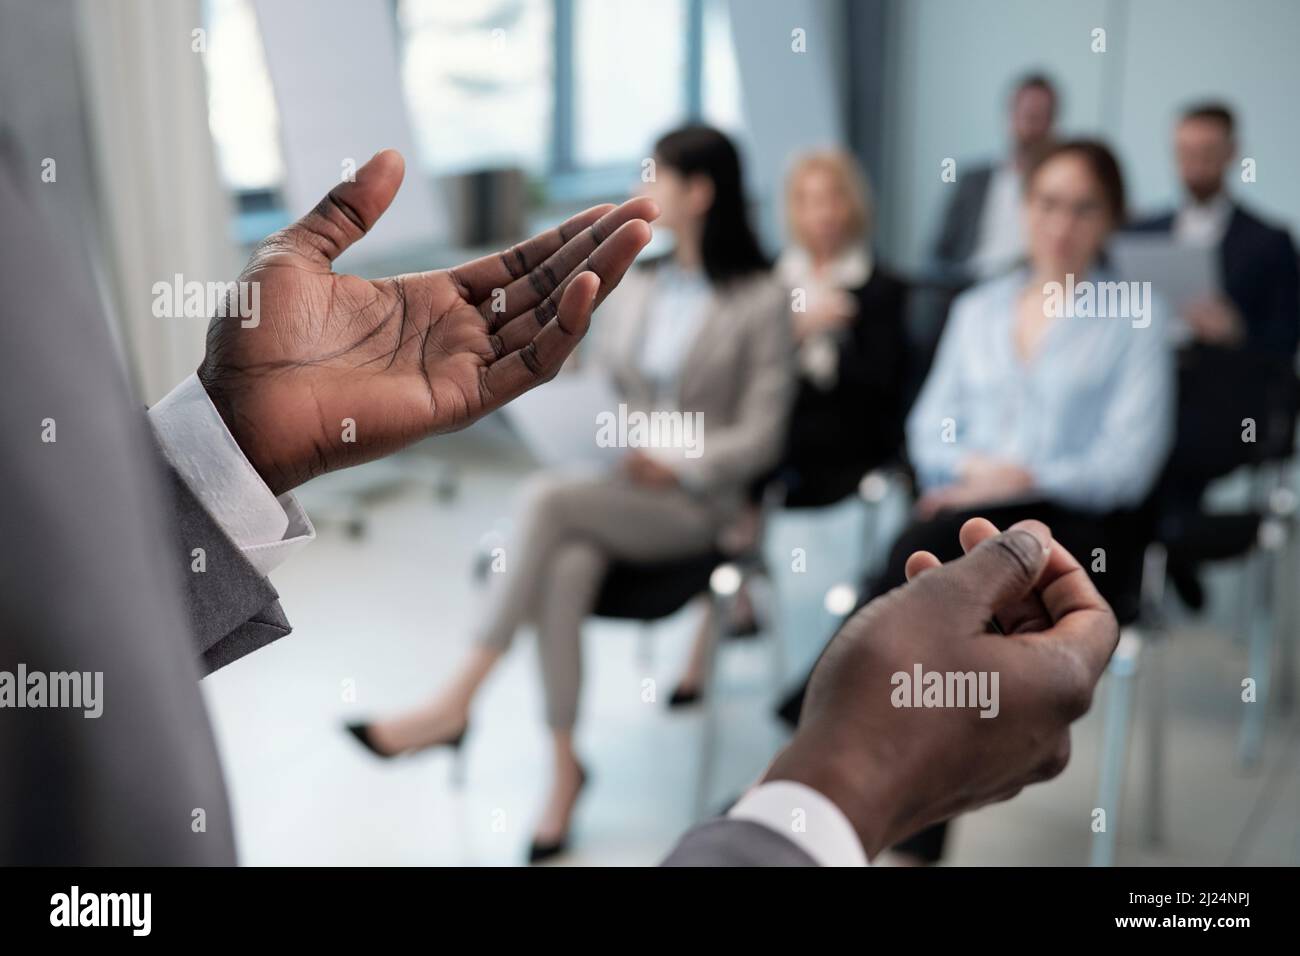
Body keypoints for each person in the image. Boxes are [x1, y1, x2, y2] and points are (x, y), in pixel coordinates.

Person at [347, 125, 795, 862]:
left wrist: (676, 459)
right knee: (564, 566)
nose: (638, 193)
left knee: (549, 504)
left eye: (656, 178)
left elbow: (762, 436)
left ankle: (455, 702)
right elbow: (604, 384)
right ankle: (564, 770)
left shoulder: (761, 297)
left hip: (698, 504)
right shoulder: (646, 284)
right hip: (617, 489)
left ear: (701, 191)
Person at [779, 139, 1175, 864]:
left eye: (1083, 208)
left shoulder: (1137, 317)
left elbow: (1126, 464)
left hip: (1077, 537)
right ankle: (880, 813)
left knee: (937, 573)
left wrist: (1013, 475)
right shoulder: (981, 307)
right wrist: (973, 473)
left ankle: (821, 722)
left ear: (1111, 219)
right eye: (1048, 203)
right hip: (968, 516)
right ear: (1026, 209)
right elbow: (929, 426)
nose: (1061, 223)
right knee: (945, 597)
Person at [668, 148, 908, 705]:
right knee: (735, 441)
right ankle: (724, 597)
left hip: (843, 437)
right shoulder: (773, 281)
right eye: (807, 199)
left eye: (832, 198)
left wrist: (836, 333)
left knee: (744, 451)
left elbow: (884, 390)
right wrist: (793, 332)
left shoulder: (882, 288)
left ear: (852, 205)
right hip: (777, 429)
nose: (821, 213)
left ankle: (725, 605)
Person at [1127, 102, 1300, 355]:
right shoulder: (1140, 234)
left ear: (1232, 152)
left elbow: (1287, 335)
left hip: (1232, 383)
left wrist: (1238, 331)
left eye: (1207, 152)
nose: (1195, 164)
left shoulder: (1270, 242)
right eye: (1185, 152)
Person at [930, 72, 1058, 284]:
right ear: (1011, 116)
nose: (1030, 127)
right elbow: (938, 252)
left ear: (1052, 123)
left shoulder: (1057, 188)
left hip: (1026, 286)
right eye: (1026, 115)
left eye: (1038, 117)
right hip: (967, 284)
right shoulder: (972, 180)